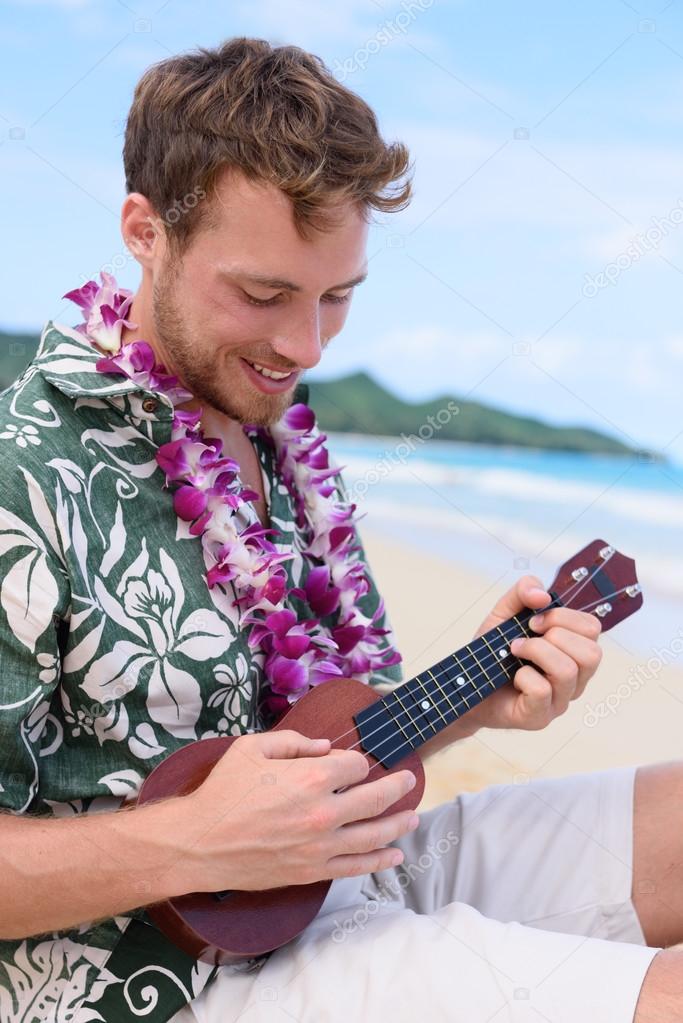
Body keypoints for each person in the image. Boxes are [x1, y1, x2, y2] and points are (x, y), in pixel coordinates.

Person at [0, 35, 679, 1023]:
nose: (304, 345)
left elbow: (310, 757)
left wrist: (481, 702)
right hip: (147, 980)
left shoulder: (274, 443)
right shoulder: (22, 473)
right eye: (264, 294)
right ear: (146, 232)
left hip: (331, 886)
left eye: (336, 298)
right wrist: (194, 842)